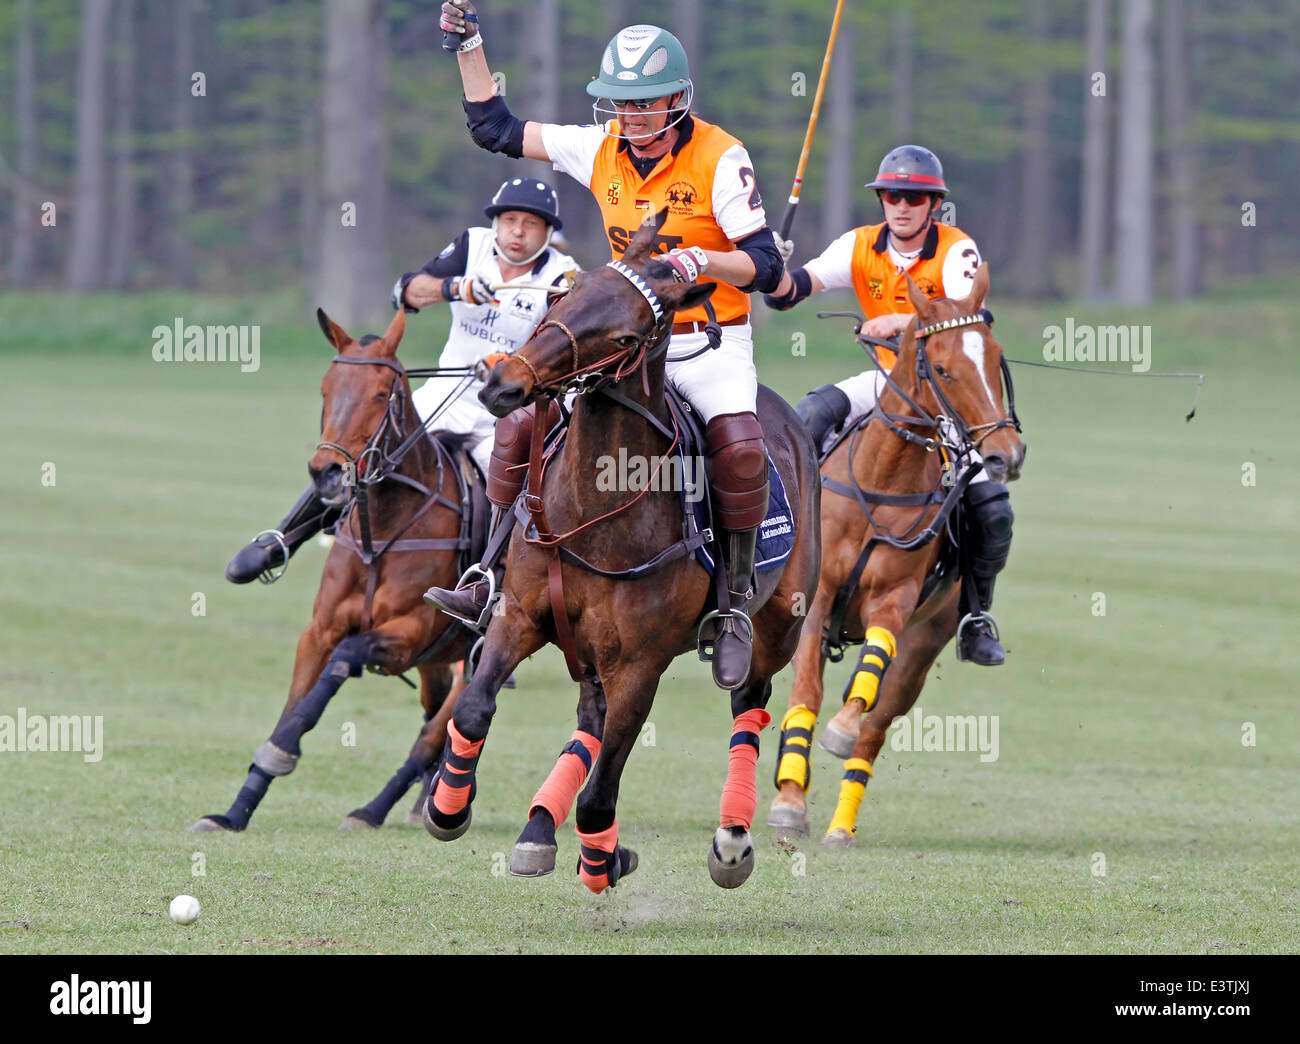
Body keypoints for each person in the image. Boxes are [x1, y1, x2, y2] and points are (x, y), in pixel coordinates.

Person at [426, 4, 785, 689]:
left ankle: (734, 604)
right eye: (619, 104)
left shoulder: (720, 155)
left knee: (738, 445)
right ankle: (489, 574)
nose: (632, 117)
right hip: (620, 341)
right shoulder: (601, 149)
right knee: (523, 423)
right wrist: (469, 44)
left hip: (706, 341)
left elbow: (764, 265)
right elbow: (493, 128)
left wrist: (701, 263)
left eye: (646, 104)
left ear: (678, 100)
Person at [223, 177, 579, 585]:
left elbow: (560, 356)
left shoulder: (564, 279)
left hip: (504, 414)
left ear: (549, 233)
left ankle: (487, 581)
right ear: (496, 223)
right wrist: (456, 287)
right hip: (444, 393)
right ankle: (283, 539)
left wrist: (509, 368)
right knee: (370, 442)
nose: (517, 231)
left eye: (531, 223)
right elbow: (407, 291)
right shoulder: (473, 246)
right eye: (510, 219)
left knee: (501, 486)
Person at [763, 145, 1013, 666]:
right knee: (804, 421)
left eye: (915, 197)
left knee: (992, 510)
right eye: (893, 195)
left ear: (933, 204)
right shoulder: (858, 245)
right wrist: (773, 268)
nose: (903, 206)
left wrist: (900, 324)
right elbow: (791, 292)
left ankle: (975, 616)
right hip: (884, 382)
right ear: (882, 200)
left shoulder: (956, 249)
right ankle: (766, 574)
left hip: (946, 398)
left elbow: (974, 317)